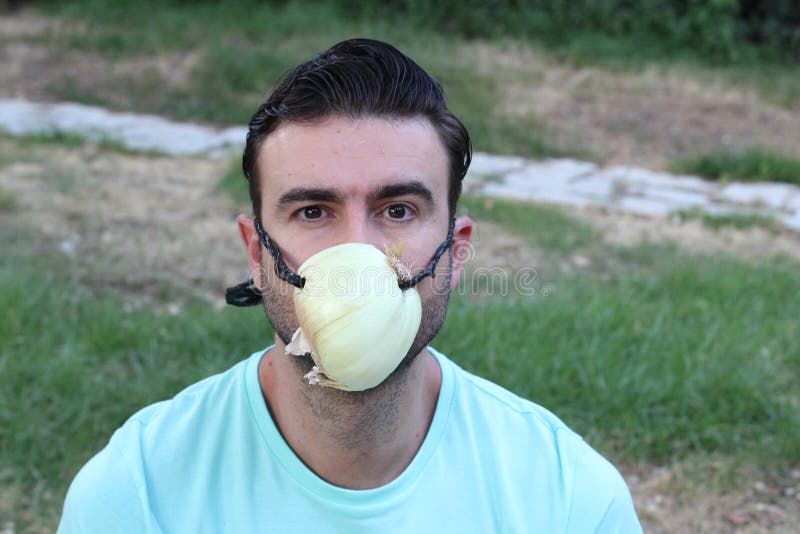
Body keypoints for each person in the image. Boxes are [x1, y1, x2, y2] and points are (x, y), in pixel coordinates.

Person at [59, 38, 642, 533]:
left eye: (397, 210)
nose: (359, 257)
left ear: (456, 251)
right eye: (313, 212)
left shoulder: (568, 503)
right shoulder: (137, 497)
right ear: (257, 253)